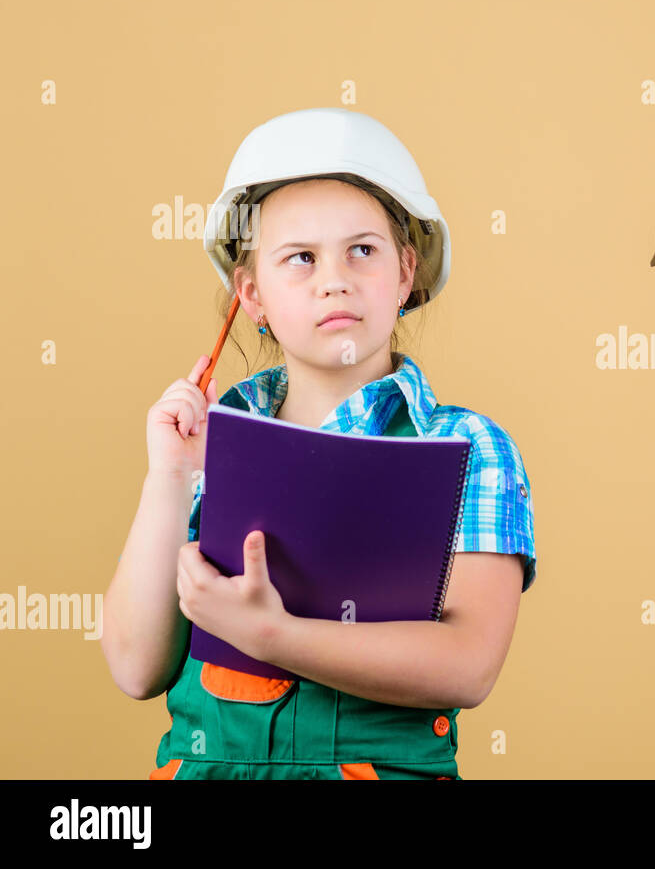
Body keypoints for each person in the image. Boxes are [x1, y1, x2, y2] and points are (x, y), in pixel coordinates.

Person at [102, 108, 536, 779]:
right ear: (253, 296)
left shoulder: (468, 447)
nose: (334, 277)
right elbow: (135, 666)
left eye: (362, 250)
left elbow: (470, 664)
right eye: (300, 258)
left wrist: (272, 635)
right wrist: (169, 475)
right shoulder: (212, 443)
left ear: (404, 272)